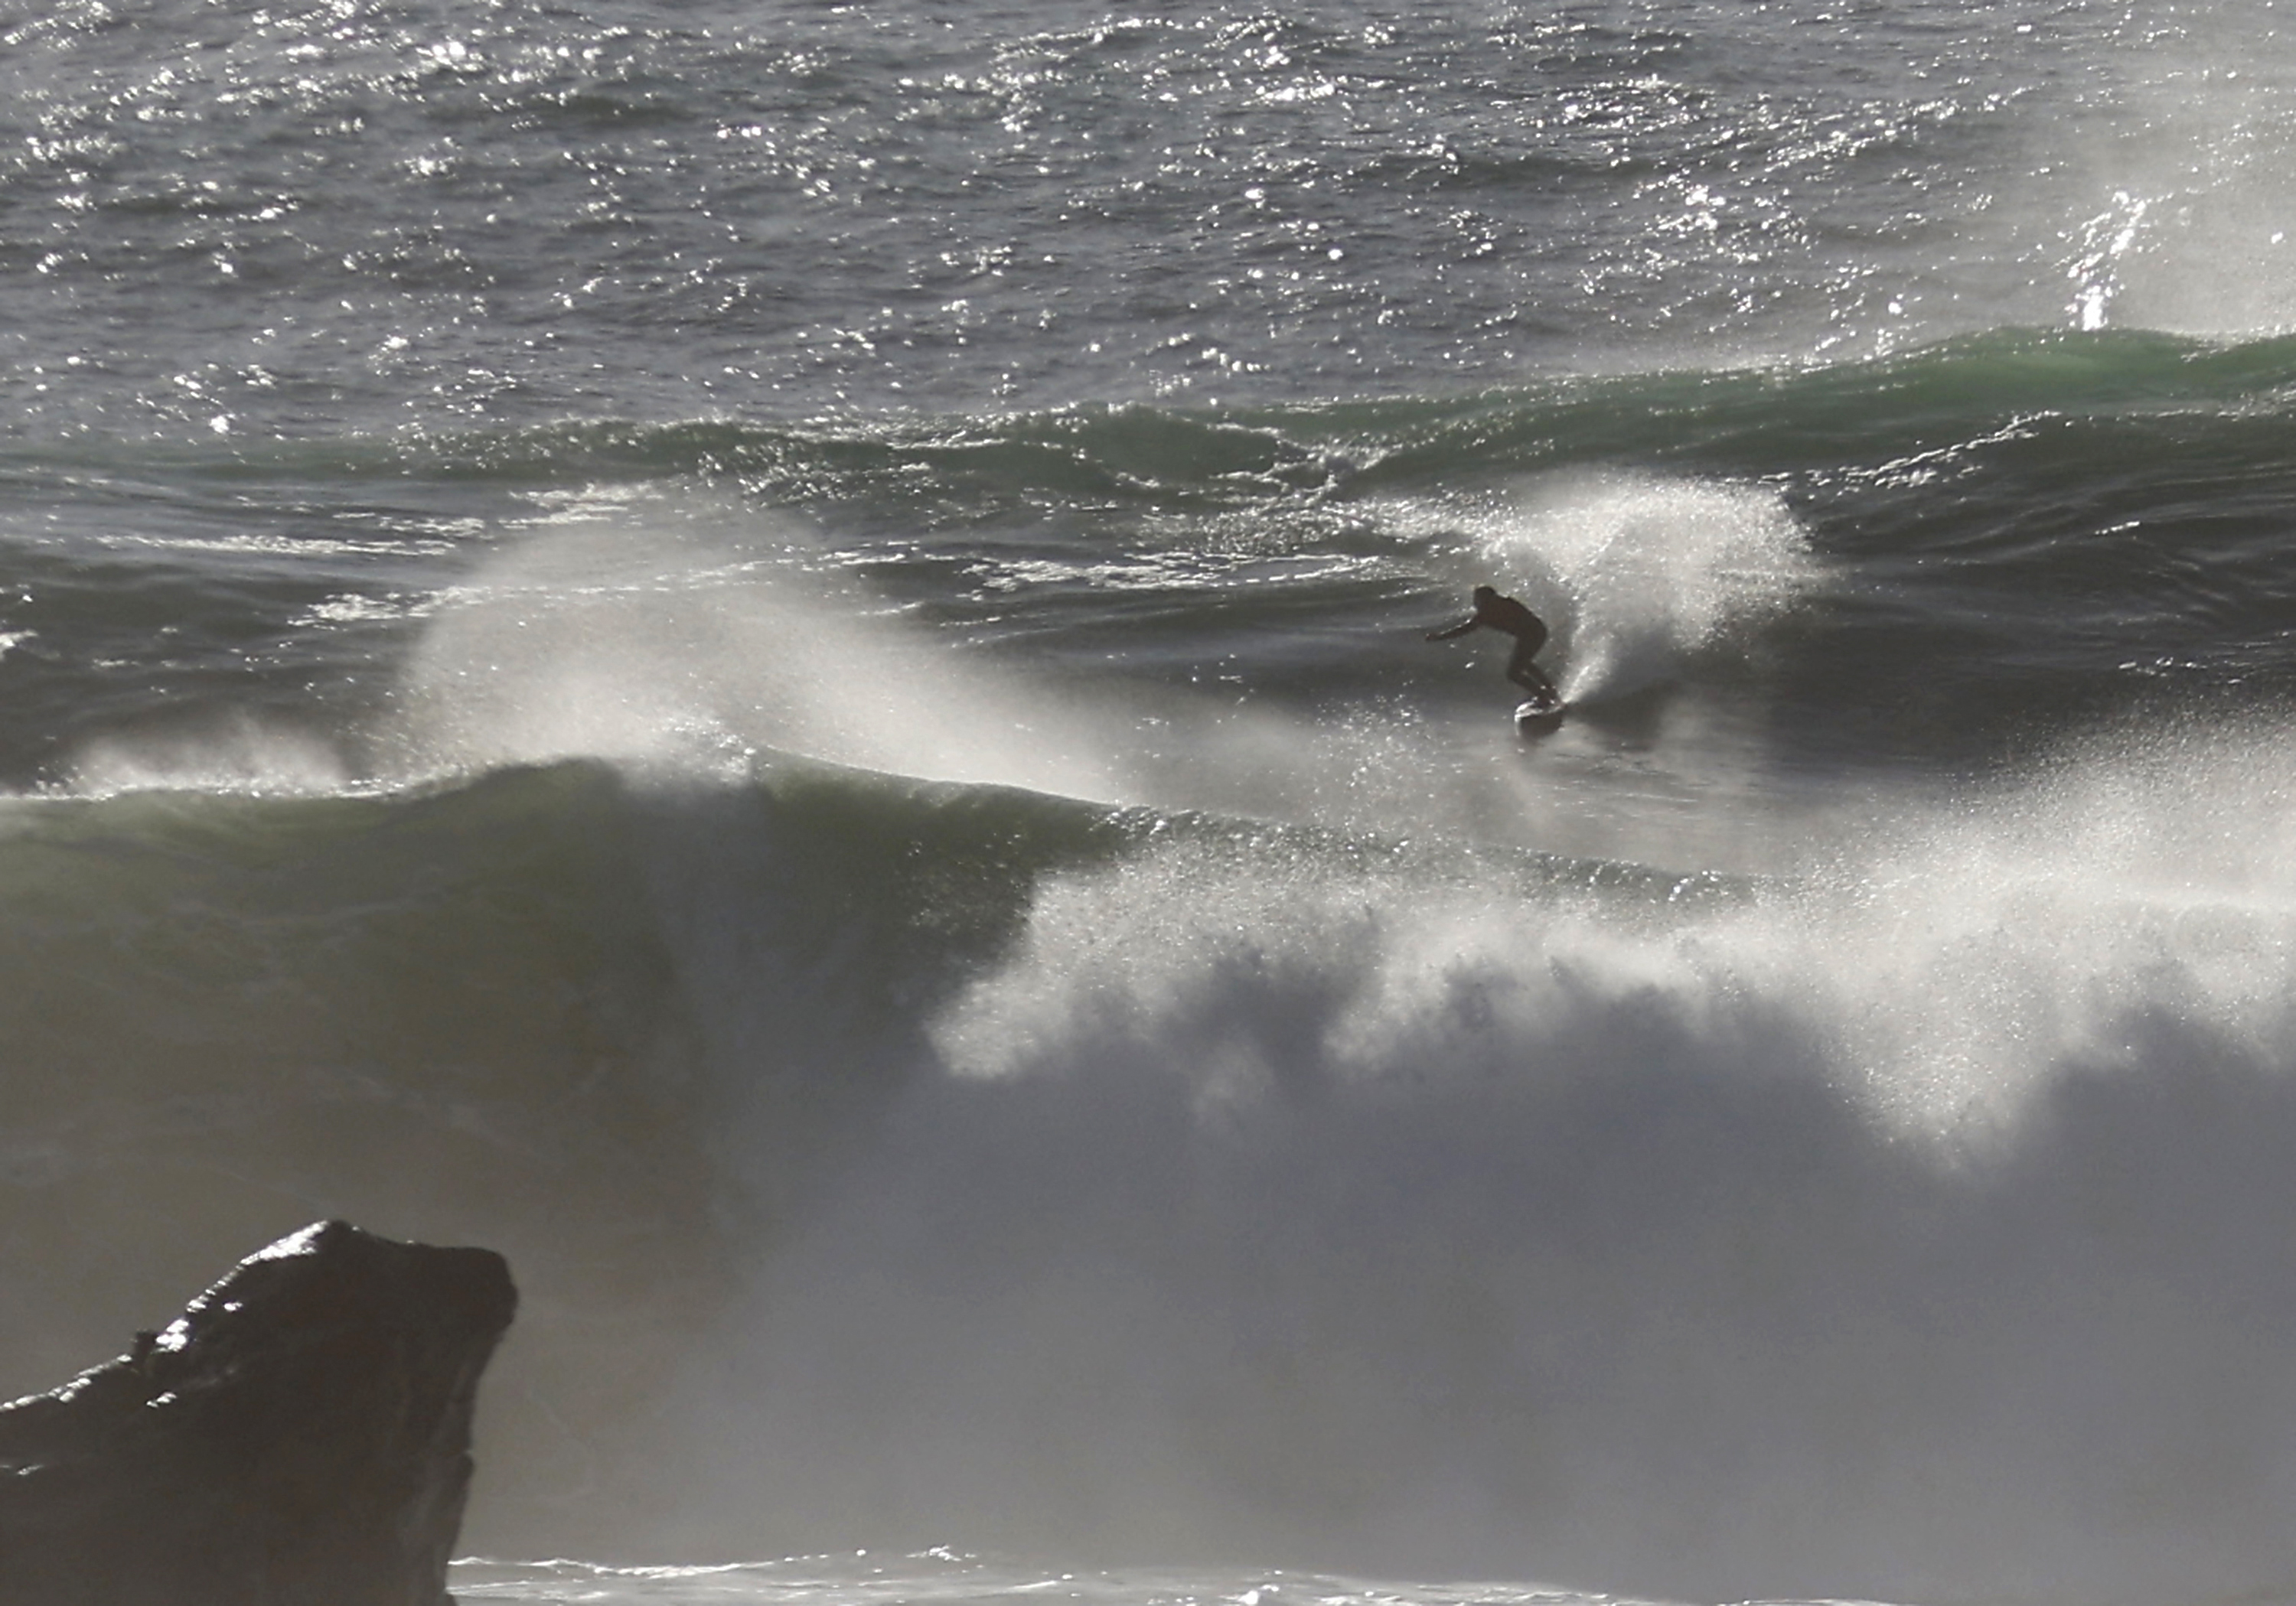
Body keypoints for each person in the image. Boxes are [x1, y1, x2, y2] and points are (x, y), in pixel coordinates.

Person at [1427, 585, 1560, 709]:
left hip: (1532, 634)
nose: (1475, 603)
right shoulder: (1497, 607)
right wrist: (1440, 637)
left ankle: (1544, 696)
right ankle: (1549, 691)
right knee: (1523, 664)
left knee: (1513, 673)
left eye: (1477, 599)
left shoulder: (1490, 611)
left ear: (1487, 599)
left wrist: (1439, 637)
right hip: (1536, 631)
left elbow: (1465, 629)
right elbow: (1467, 628)